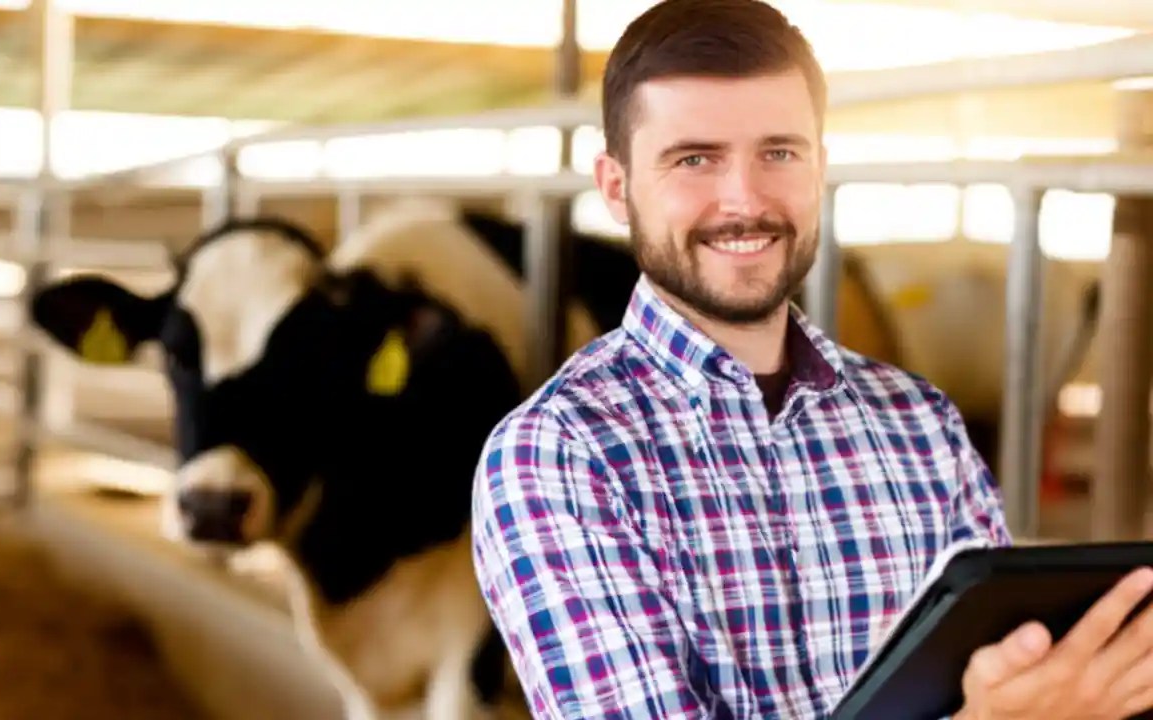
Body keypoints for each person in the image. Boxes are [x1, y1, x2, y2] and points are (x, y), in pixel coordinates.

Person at [469, 1, 1153, 718]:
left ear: (819, 167)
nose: (745, 199)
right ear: (617, 188)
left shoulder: (921, 423)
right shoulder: (557, 456)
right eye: (694, 159)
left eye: (779, 153)